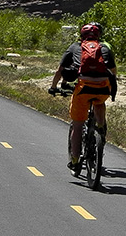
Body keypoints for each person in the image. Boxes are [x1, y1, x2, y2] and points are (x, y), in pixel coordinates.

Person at [49, 22, 116, 172]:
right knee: (99, 101)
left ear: (81, 35)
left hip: (83, 88)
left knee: (78, 124)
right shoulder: (104, 48)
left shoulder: (75, 47)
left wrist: (53, 87)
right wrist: (110, 89)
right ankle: (100, 128)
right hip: (103, 88)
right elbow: (113, 71)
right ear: (99, 35)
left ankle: (74, 160)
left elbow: (60, 70)